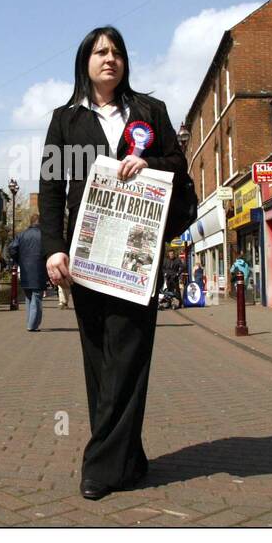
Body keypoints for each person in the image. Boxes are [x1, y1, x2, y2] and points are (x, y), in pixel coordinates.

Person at [39, 25, 190, 501]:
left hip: (135, 256)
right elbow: (50, 190)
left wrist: (151, 165)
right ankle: (130, 459)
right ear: (84, 61)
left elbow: (179, 167)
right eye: (100, 51)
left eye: (117, 51)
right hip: (86, 258)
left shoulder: (150, 111)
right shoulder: (65, 121)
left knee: (129, 354)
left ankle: (99, 468)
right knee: (101, 360)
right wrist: (53, 247)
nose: (110, 58)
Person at [8, 215, 48, 332]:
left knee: (29, 297)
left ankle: (30, 322)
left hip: (25, 269)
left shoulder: (21, 235)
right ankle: (32, 325)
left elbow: (12, 249)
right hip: (39, 269)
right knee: (36, 298)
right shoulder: (44, 236)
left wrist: (19, 260)